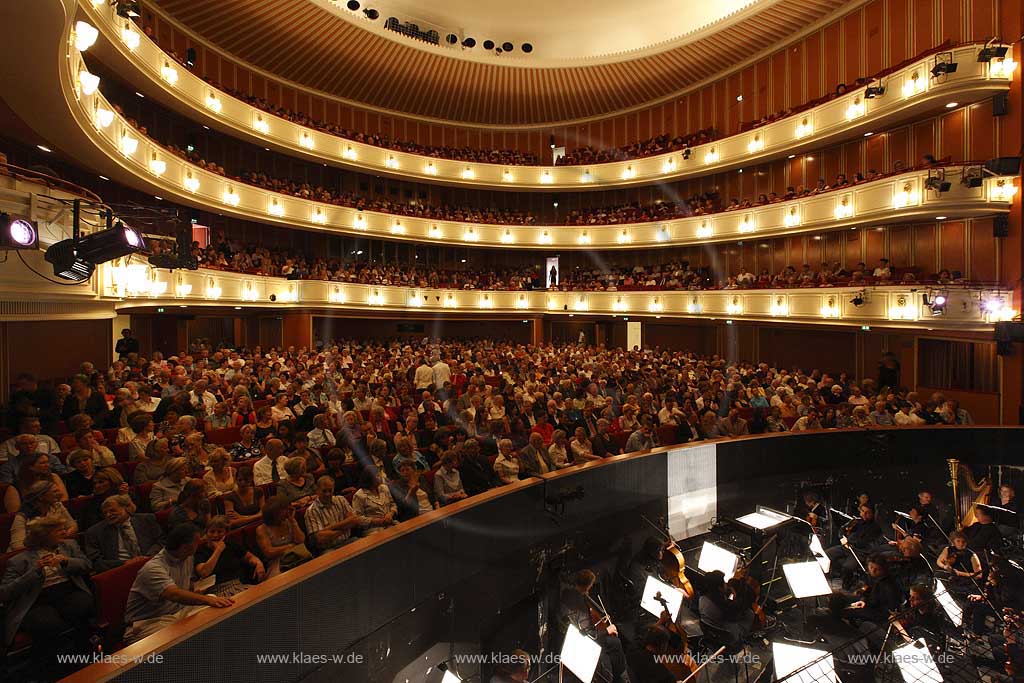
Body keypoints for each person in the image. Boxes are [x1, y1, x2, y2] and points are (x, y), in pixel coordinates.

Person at [123, 523, 235, 644]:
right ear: (185, 547)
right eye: (197, 542)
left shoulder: (187, 556)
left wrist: (202, 593)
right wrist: (207, 600)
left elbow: (188, 584)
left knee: (214, 604)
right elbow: (174, 594)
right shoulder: (153, 568)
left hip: (177, 612)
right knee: (191, 627)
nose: (201, 543)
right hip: (148, 622)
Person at [0, 517, 94, 656]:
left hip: (67, 590)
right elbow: (5, 593)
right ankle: (55, 664)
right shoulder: (18, 561)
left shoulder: (69, 546)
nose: (64, 532)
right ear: (44, 536)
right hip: (37, 599)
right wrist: (34, 571)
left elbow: (87, 565)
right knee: (47, 624)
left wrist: (66, 561)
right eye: (59, 531)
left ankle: (83, 654)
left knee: (82, 606)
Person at [557, 570, 630, 683]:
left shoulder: (566, 593)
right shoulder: (580, 608)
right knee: (615, 642)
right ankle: (619, 676)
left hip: (567, 634)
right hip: (581, 642)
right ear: (587, 586)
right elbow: (590, 635)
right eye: (590, 587)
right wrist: (607, 630)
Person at [84, 494, 165, 572]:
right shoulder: (95, 532)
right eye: (105, 513)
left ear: (126, 508)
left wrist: (147, 557)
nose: (109, 515)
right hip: (122, 570)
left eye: (112, 510)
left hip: (153, 562)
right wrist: (124, 563)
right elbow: (96, 562)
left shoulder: (147, 519)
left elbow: (162, 541)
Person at [194, 515, 265, 597]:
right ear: (206, 533)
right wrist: (218, 550)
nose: (215, 535)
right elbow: (204, 572)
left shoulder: (231, 545)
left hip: (237, 585)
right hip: (215, 593)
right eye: (212, 532)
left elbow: (249, 557)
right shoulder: (201, 551)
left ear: (226, 533)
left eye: (219, 532)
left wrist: (259, 563)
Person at [8, 480, 77, 551]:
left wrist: (61, 536)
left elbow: (73, 526)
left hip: (54, 547)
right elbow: (17, 546)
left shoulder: (57, 506)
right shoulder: (22, 516)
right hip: (31, 554)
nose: (60, 494)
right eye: (55, 491)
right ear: (41, 496)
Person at [303, 476, 362, 554]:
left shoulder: (341, 500)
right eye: (324, 491)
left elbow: (354, 520)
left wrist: (330, 528)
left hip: (348, 541)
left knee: (363, 545)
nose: (327, 494)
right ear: (317, 491)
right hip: (328, 549)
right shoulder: (311, 511)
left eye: (330, 490)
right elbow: (321, 538)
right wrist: (345, 527)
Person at [255, 496, 309, 577]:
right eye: (284, 509)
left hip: (296, 556)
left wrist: (292, 521)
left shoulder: (289, 522)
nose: (288, 512)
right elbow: (269, 552)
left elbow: (301, 540)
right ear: (274, 512)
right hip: (277, 562)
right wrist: (289, 546)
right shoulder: (262, 529)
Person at [351, 469, 398, 535]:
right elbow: (358, 519)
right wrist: (377, 521)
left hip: (390, 523)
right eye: (378, 476)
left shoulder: (384, 488)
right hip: (372, 529)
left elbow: (393, 504)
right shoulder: (359, 495)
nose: (381, 477)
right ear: (369, 479)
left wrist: (390, 514)